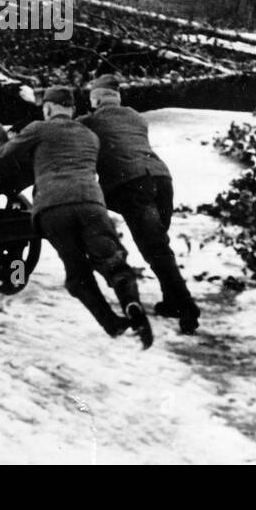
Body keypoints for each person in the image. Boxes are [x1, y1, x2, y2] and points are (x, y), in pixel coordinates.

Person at [0, 85, 153, 348]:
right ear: (72, 109)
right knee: (112, 260)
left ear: (47, 108)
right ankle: (131, 304)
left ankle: (111, 323)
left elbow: (0, 158)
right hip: (90, 204)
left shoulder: (38, 128)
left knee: (77, 273)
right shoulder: (89, 135)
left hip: (53, 209)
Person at [78, 74, 201, 334]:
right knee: (158, 246)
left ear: (96, 98)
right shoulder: (136, 117)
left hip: (131, 185)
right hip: (161, 180)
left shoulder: (89, 122)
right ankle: (172, 301)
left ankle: (187, 308)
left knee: (155, 248)